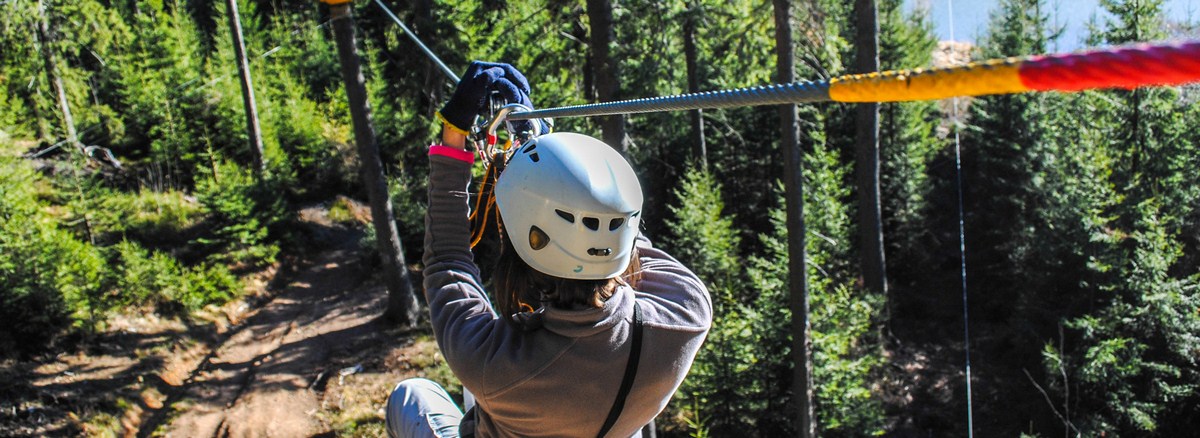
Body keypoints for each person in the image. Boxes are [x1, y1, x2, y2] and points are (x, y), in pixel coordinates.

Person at [386, 61, 712, 438]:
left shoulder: (494, 363)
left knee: (409, 395)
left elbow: (447, 260)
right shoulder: (685, 313)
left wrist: (453, 137)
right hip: (612, 418)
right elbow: (622, 237)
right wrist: (532, 153)